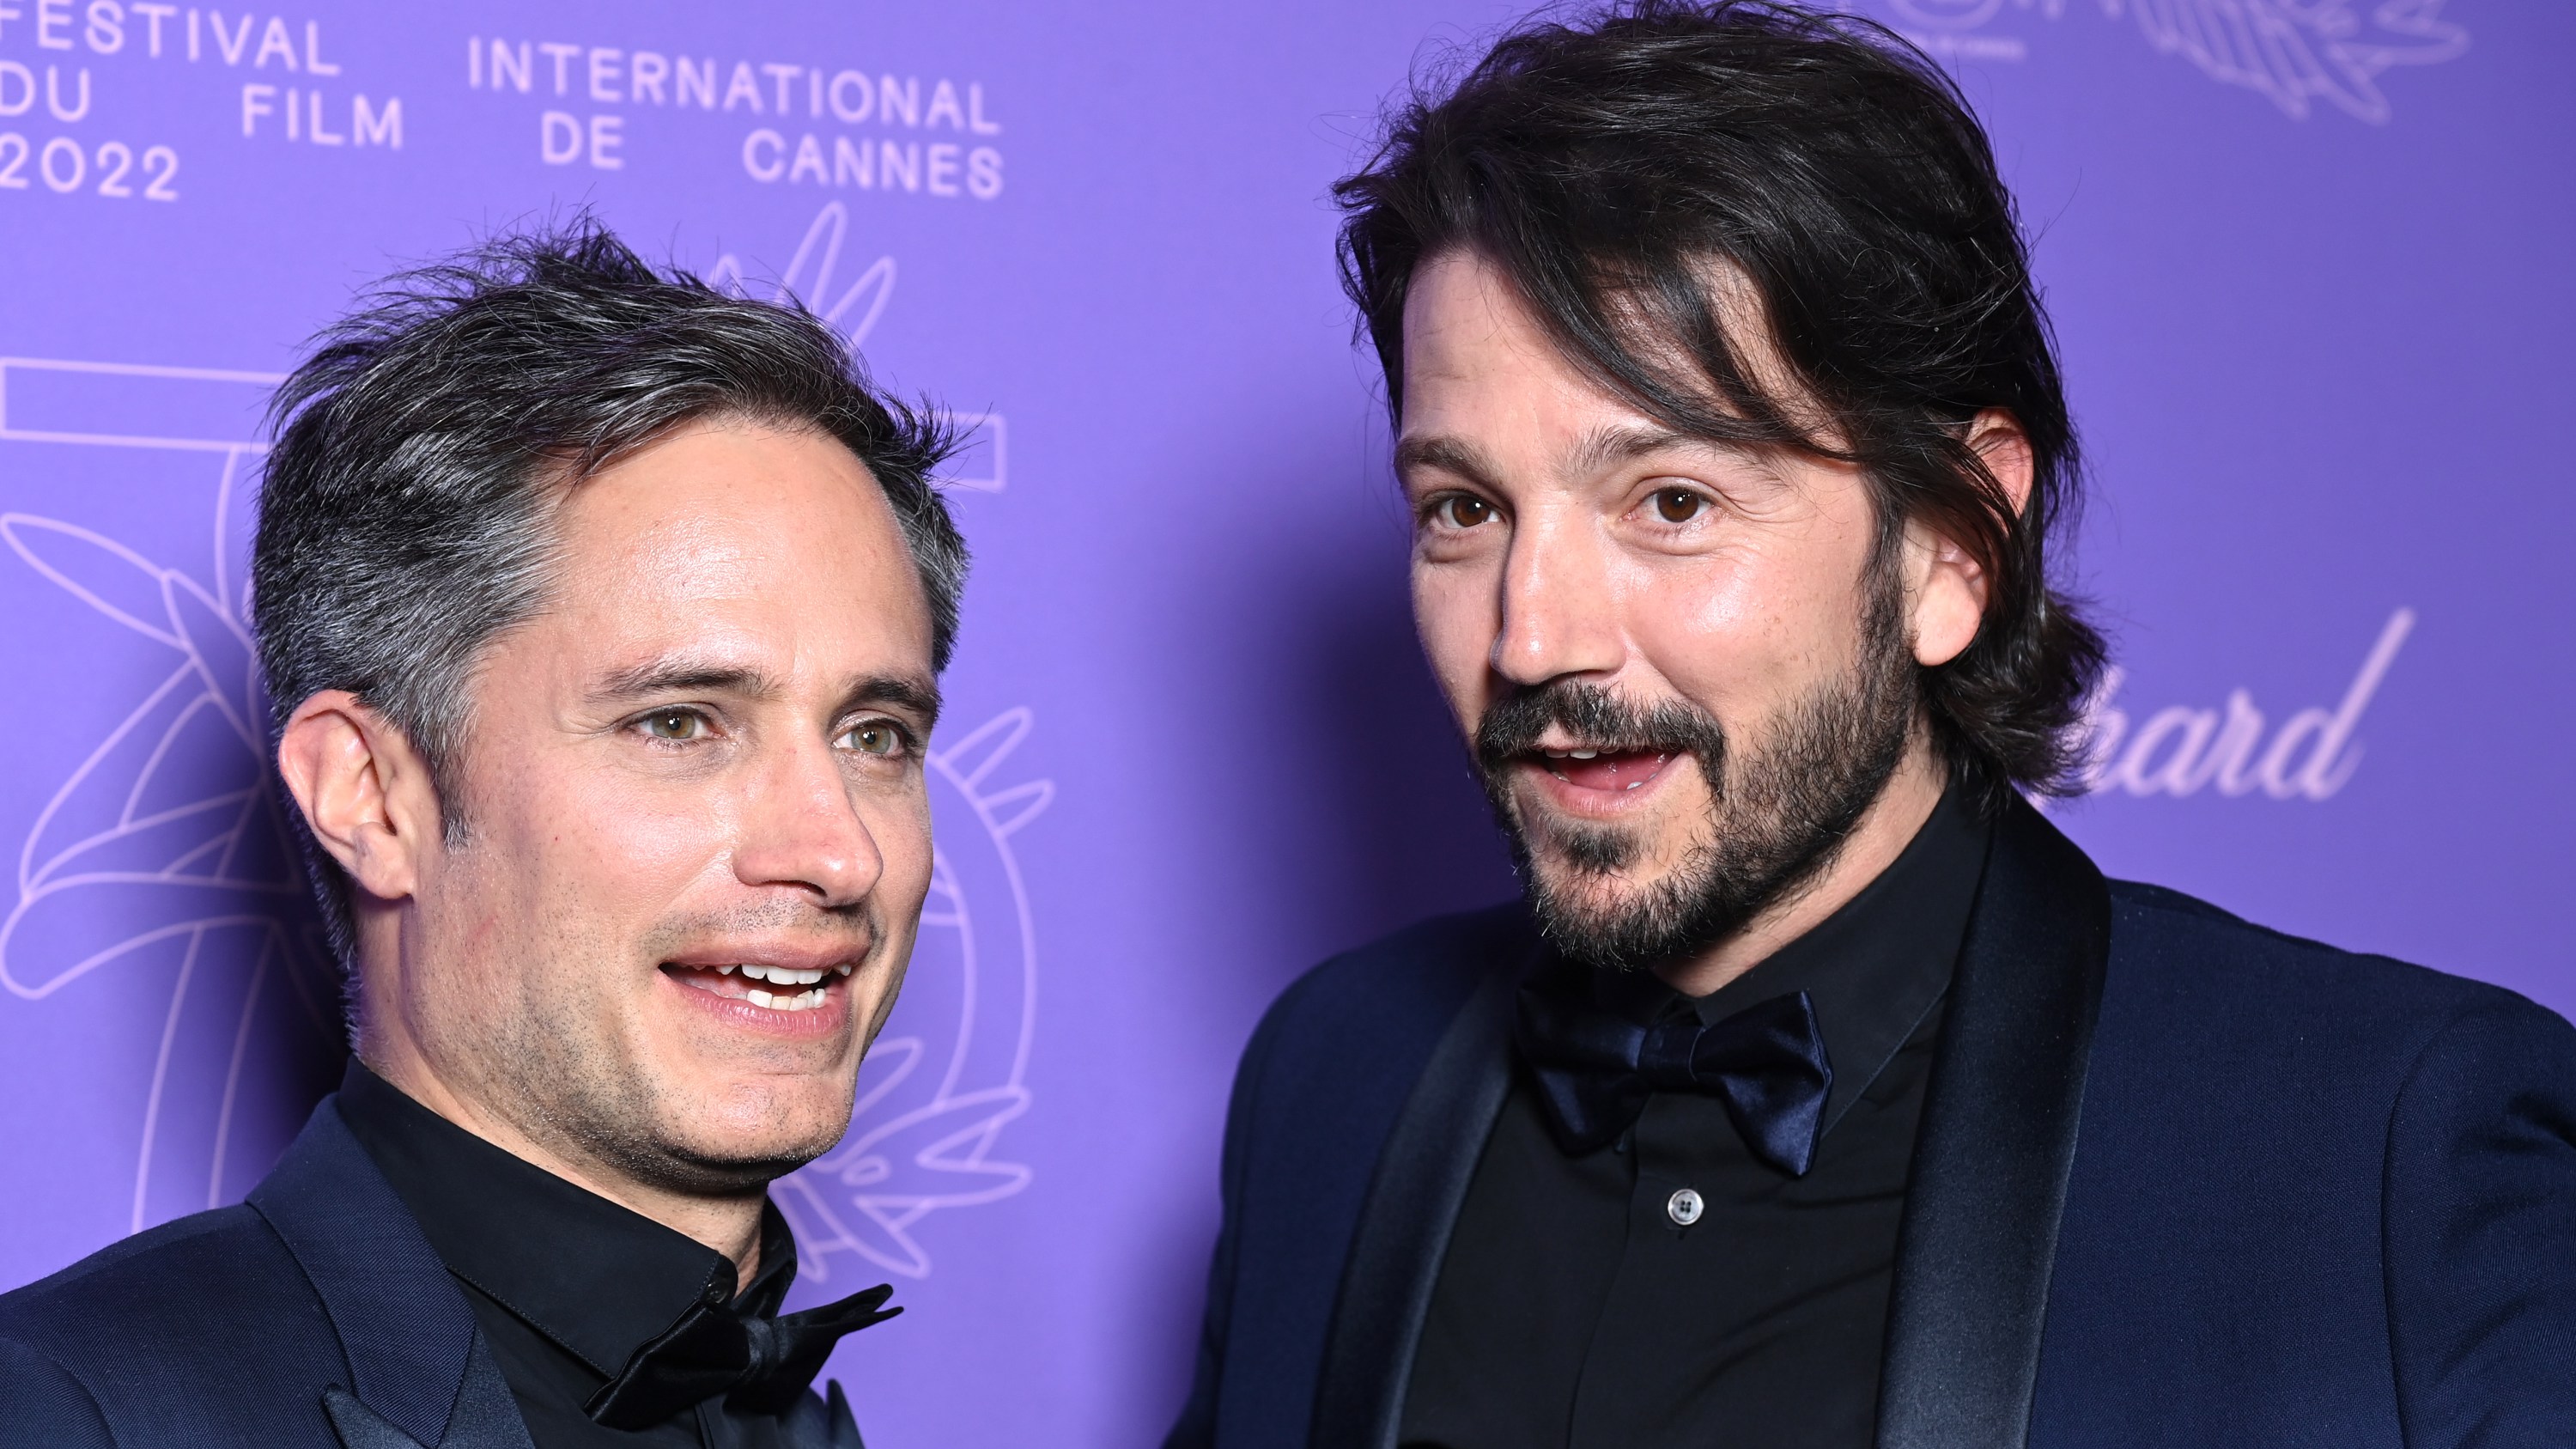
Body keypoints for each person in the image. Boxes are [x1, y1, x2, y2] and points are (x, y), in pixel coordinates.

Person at [1165, 5, 2576, 1447]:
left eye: (1673, 503)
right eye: (1464, 510)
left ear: (1951, 546)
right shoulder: (1334, 1085)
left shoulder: (2388, 1164)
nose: (1532, 639)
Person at [0, 223, 969, 1449]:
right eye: (680, 723)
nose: (840, 856)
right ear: (371, 795)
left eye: (874, 735)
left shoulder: (790, 1423)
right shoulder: (73, 1412)